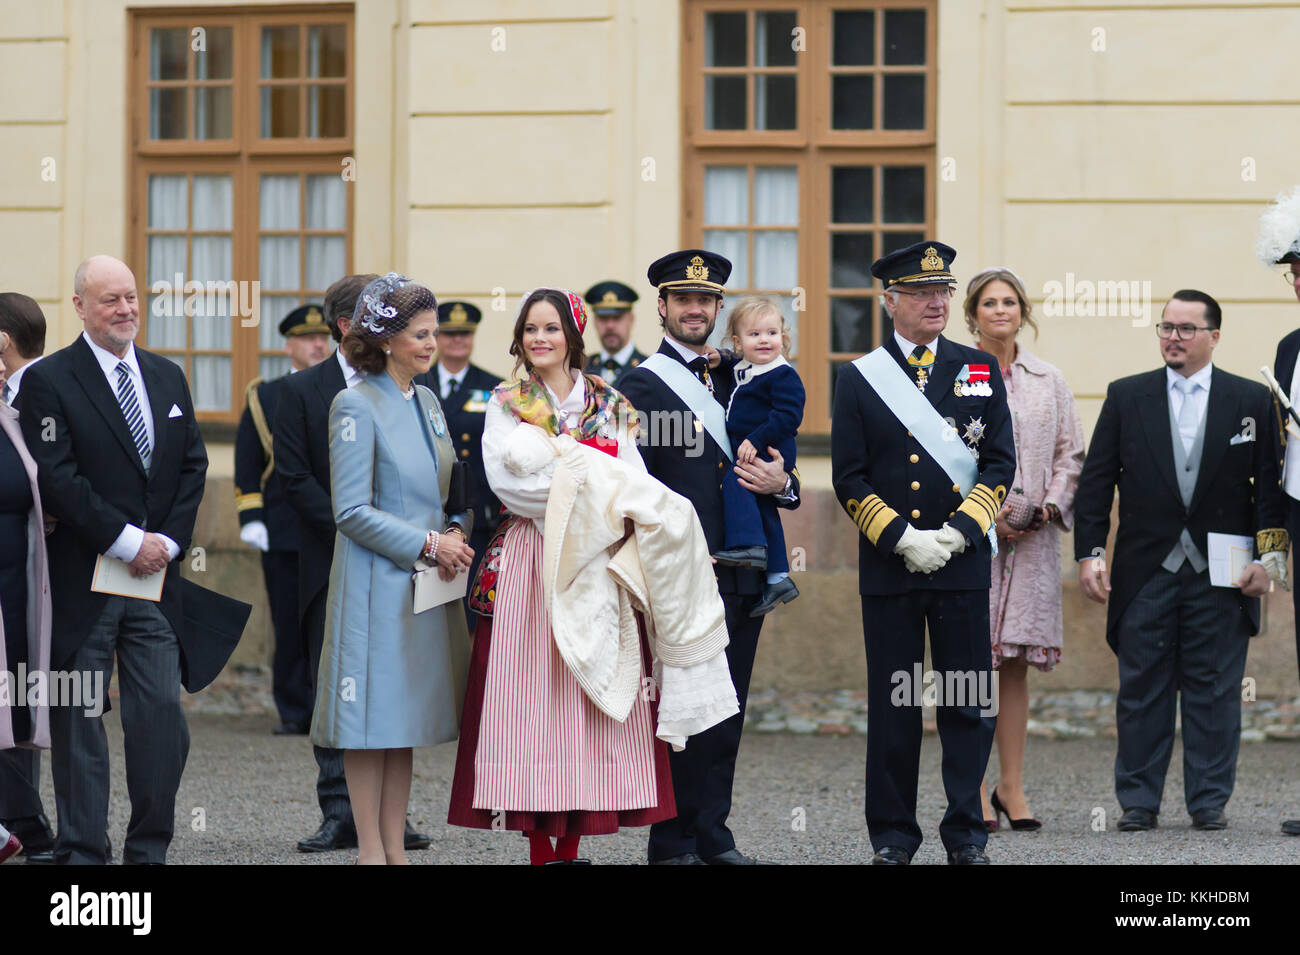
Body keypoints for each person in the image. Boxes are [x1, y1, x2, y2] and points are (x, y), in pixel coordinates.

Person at [1075, 289, 1289, 833]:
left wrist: (1270, 558)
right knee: (1141, 689)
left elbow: (1269, 485)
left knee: (1216, 692)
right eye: (1166, 327)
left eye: (1186, 328)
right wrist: (1091, 553)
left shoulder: (1250, 398)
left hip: (1225, 573)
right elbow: (1098, 481)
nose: (1173, 336)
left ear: (1213, 337)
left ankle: (1209, 802)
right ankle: (1138, 802)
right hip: (1146, 569)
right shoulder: (1127, 396)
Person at [18, 255, 208, 864]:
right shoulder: (49, 380)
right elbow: (58, 478)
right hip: (83, 579)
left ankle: (148, 849)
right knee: (79, 722)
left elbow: (191, 467)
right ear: (79, 306)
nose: (126, 309)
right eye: (110, 300)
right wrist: (128, 540)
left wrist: (169, 544)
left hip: (156, 581)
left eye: (131, 297)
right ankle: (81, 852)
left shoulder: (168, 376)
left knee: (160, 721)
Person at [830, 240, 1015, 865]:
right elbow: (848, 476)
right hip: (890, 566)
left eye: (941, 291)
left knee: (967, 701)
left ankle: (966, 832)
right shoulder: (858, 378)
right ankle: (893, 835)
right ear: (890, 301)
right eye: (919, 292)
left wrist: (958, 532)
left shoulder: (979, 368)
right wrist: (902, 538)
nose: (935, 302)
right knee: (895, 706)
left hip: (960, 563)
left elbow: (999, 463)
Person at [619, 250, 801, 865]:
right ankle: (671, 841)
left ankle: (713, 835)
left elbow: (785, 465)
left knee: (729, 708)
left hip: (744, 567)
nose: (694, 309)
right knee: (683, 709)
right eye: (682, 299)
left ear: (719, 308)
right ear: (663, 307)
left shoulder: (745, 372)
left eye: (706, 300)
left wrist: (785, 486)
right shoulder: (638, 386)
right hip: (678, 572)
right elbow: (625, 485)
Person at [309, 273, 473, 865]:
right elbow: (350, 511)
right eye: (421, 334)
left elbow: (444, 485)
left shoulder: (427, 400)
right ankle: (370, 852)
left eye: (434, 333)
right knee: (368, 722)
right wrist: (430, 543)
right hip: (375, 584)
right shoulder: (353, 404)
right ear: (384, 340)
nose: (433, 344)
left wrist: (457, 530)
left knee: (402, 722)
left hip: (424, 582)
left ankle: (396, 848)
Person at [274, 274, 433, 854]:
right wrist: (362, 534)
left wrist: (430, 535)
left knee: (395, 702)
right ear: (352, 326)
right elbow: (298, 482)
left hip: (408, 564)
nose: (428, 341)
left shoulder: (420, 393)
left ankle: (392, 825)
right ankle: (339, 812)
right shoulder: (304, 393)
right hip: (334, 561)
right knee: (344, 697)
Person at [961, 268, 1084, 832]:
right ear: (973, 314)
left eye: (1010, 301)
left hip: (1035, 542)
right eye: (990, 303)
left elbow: (1070, 454)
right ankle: (975, 788)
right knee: (971, 663)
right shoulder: (959, 374)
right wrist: (992, 514)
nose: (1001, 311)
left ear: (1023, 310)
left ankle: (1012, 786)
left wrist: (1047, 509)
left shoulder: (1049, 378)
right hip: (972, 536)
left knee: (1013, 665)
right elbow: (949, 455)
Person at [235, 304, 332, 736]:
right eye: (307, 338)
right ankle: (294, 708)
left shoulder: (346, 389)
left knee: (333, 623)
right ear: (289, 344)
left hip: (336, 525)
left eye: (323, 337)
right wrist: (252, 516)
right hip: (286, 528)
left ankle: (333, 708)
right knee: (290, 623)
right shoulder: (266, 395)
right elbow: (248, 461)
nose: (317, 345)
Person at [0, 291, 55, 863]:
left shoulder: (17, 412)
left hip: (20, 580)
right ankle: (25, 823)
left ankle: (24, 820)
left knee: (17, 695)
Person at [711, 297, 805, 615]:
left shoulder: (783, 375)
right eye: (754, 335)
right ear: (739, 342)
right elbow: (735, 367)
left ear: (783, 337)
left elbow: (787, 417)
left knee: (736, 483)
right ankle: (779, 577)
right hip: (755, 445)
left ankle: (749, 546)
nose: (764, 340)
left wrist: (755, 438)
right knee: (765, 509)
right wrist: (721, 357)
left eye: (772, 333)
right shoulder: (747, 367)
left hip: (770, 448)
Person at [414, 300, 503, 627]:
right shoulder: (417, 382)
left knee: (469, 614)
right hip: (424, 514)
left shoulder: (493, 387)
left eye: (464, 334)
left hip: (474, 518)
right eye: (449, 334)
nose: (457, 341)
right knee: (426, 614)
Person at [1260, 185, 1300, 838]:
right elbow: (1278, 444)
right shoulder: (1290, 347)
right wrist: (1274, 538)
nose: (1298, 282)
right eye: (1296, 273)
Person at [583, 280, 646, 386]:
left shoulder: (647, 368)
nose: (610, 326)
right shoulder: (582, 369)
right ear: (594, 321)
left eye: (617, 318)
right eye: (603, 318)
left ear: (631, 320)